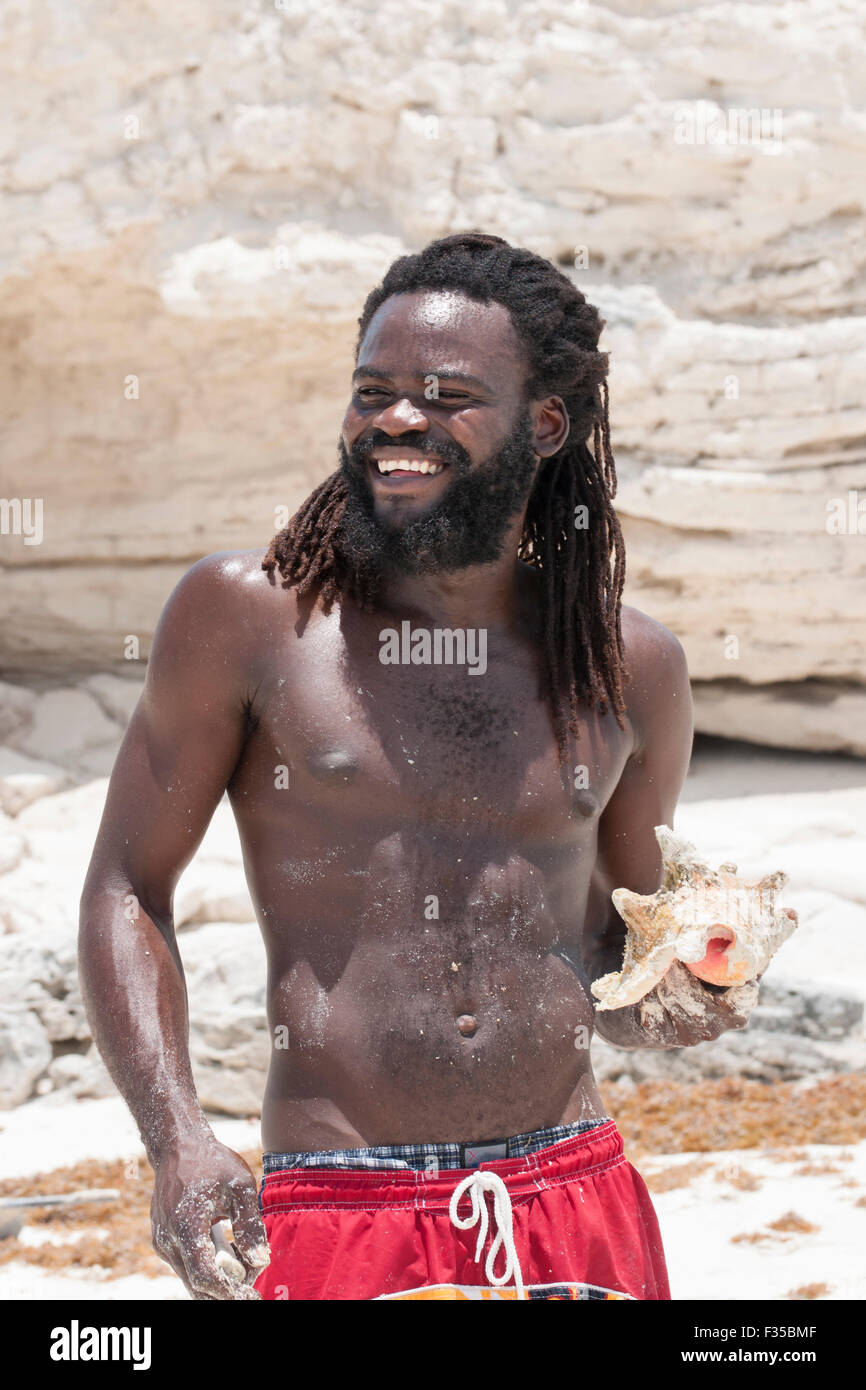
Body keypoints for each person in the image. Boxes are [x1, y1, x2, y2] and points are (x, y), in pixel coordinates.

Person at [79, 233, 758, 1301]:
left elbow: (612, 961)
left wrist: (682, 994)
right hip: (338, 1207)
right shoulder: (251, 618)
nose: (396, 419)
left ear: (543, 424)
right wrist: (178, 1143)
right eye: (372, 390)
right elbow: (127, 884)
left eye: (445, 395)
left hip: (571, 1199)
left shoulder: (628, 664)